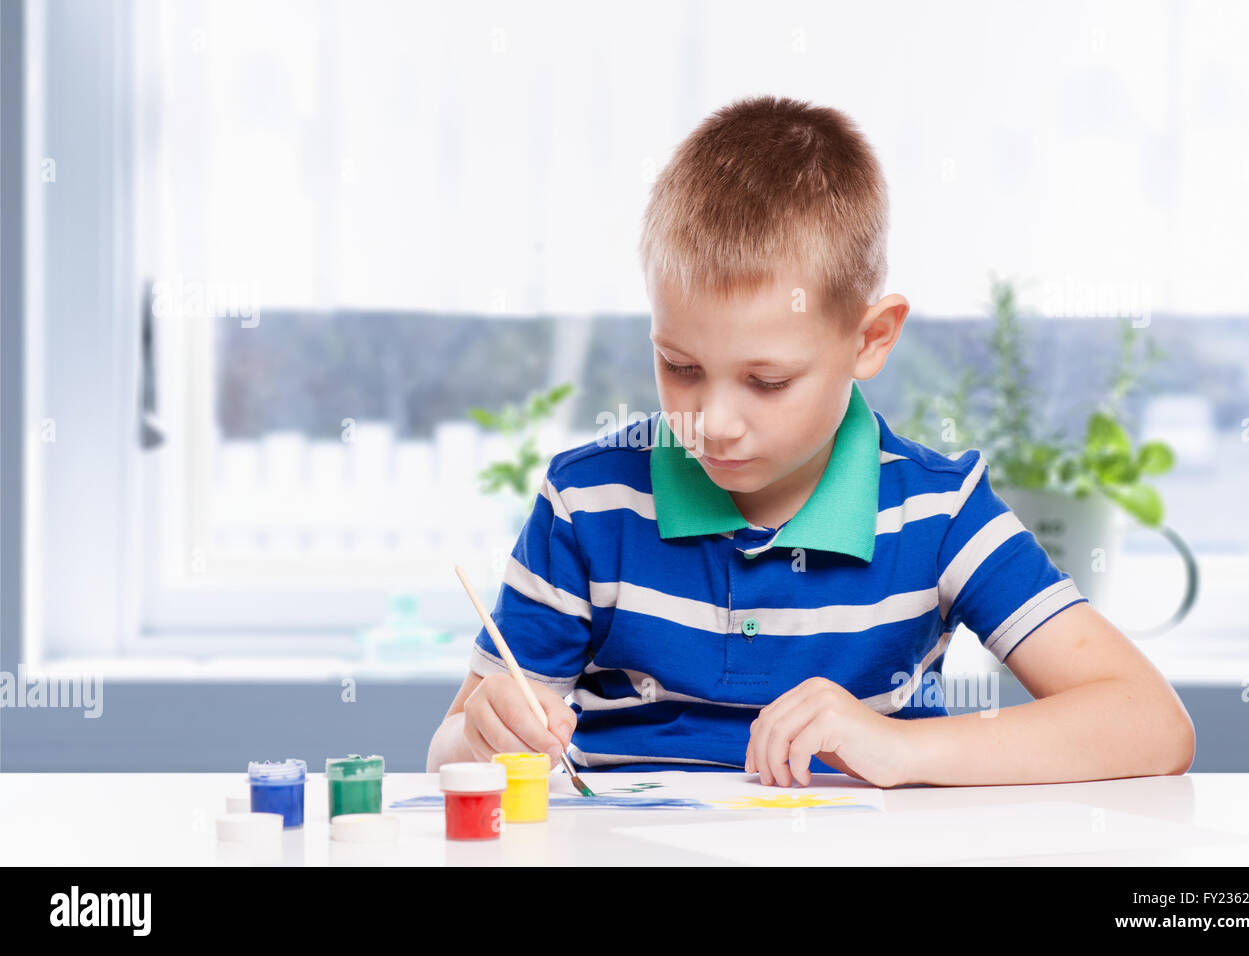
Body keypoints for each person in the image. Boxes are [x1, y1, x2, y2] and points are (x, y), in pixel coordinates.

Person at [426, 95, 1195, 787]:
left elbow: (1151, 725)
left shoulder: (937, 512)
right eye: (680, 366)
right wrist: (481, 736)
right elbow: (451, 746)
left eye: (766, 381)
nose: (715, 421)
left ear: (870, 339)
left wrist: (901, 749)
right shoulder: (588, 502)